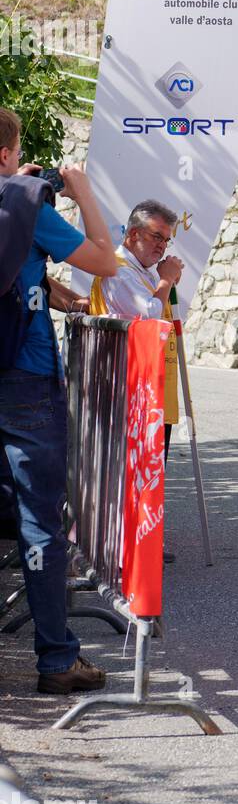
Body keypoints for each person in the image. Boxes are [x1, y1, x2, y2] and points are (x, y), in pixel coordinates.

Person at [0, 106, 118, 694]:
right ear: (4, 155)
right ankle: (56, 661)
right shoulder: (26, 205)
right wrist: (82, 192)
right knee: (38, 520)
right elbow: (106, 260)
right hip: (25, 379)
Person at [89, 199, 183, 453]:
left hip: (146, 382)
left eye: (165, 240)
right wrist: (166, 279)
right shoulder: (119, 270)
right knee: (135, 467)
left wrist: (165, 280)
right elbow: (150, 314)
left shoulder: (140, 270)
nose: (162, 246)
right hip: (128, 386)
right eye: (156, 236)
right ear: (133, 234)